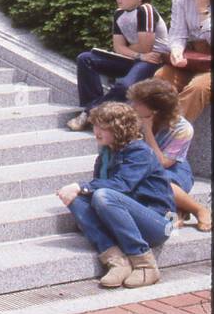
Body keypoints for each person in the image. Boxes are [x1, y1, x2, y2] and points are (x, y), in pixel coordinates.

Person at [55, 102, 175, 289]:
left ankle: (145, 264)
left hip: (156, 222)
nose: (96, 131)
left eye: (103, 127)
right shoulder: (106, 154)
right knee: (74, 198)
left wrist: (80, 186)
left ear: (120, 129)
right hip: (124, 220)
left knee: (103, 195)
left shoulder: (139, 152)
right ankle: (117, 262)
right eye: (95, 125)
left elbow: (122, 185)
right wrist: (76, 194)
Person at [66, 0, 170, 131]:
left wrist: (131, 51)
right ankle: (94, 111)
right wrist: (135, 53)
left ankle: (89, 113)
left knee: (125, 85)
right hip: (137, 58)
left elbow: (146, 46)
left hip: (152, 60)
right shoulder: (119, 14)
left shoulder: (145, 9)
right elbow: (118, 47)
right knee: (85, 59)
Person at [127, 78, 209, 232]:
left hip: (173, 167)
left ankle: (199, 209)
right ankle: (179, 211)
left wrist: (147, 130)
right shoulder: (133, 117)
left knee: (161, 183)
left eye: (138, 103)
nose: (133, 106)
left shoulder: (183, 128)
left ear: (155, 109)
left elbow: (162, 163)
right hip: (141, 165)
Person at [154, 0, 211, 122]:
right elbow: (178, 33)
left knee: (197, 88)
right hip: (192, 59)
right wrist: (176, 51)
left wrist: (203, 11)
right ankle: (149, 137)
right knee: (160, 79)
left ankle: (172, 140)